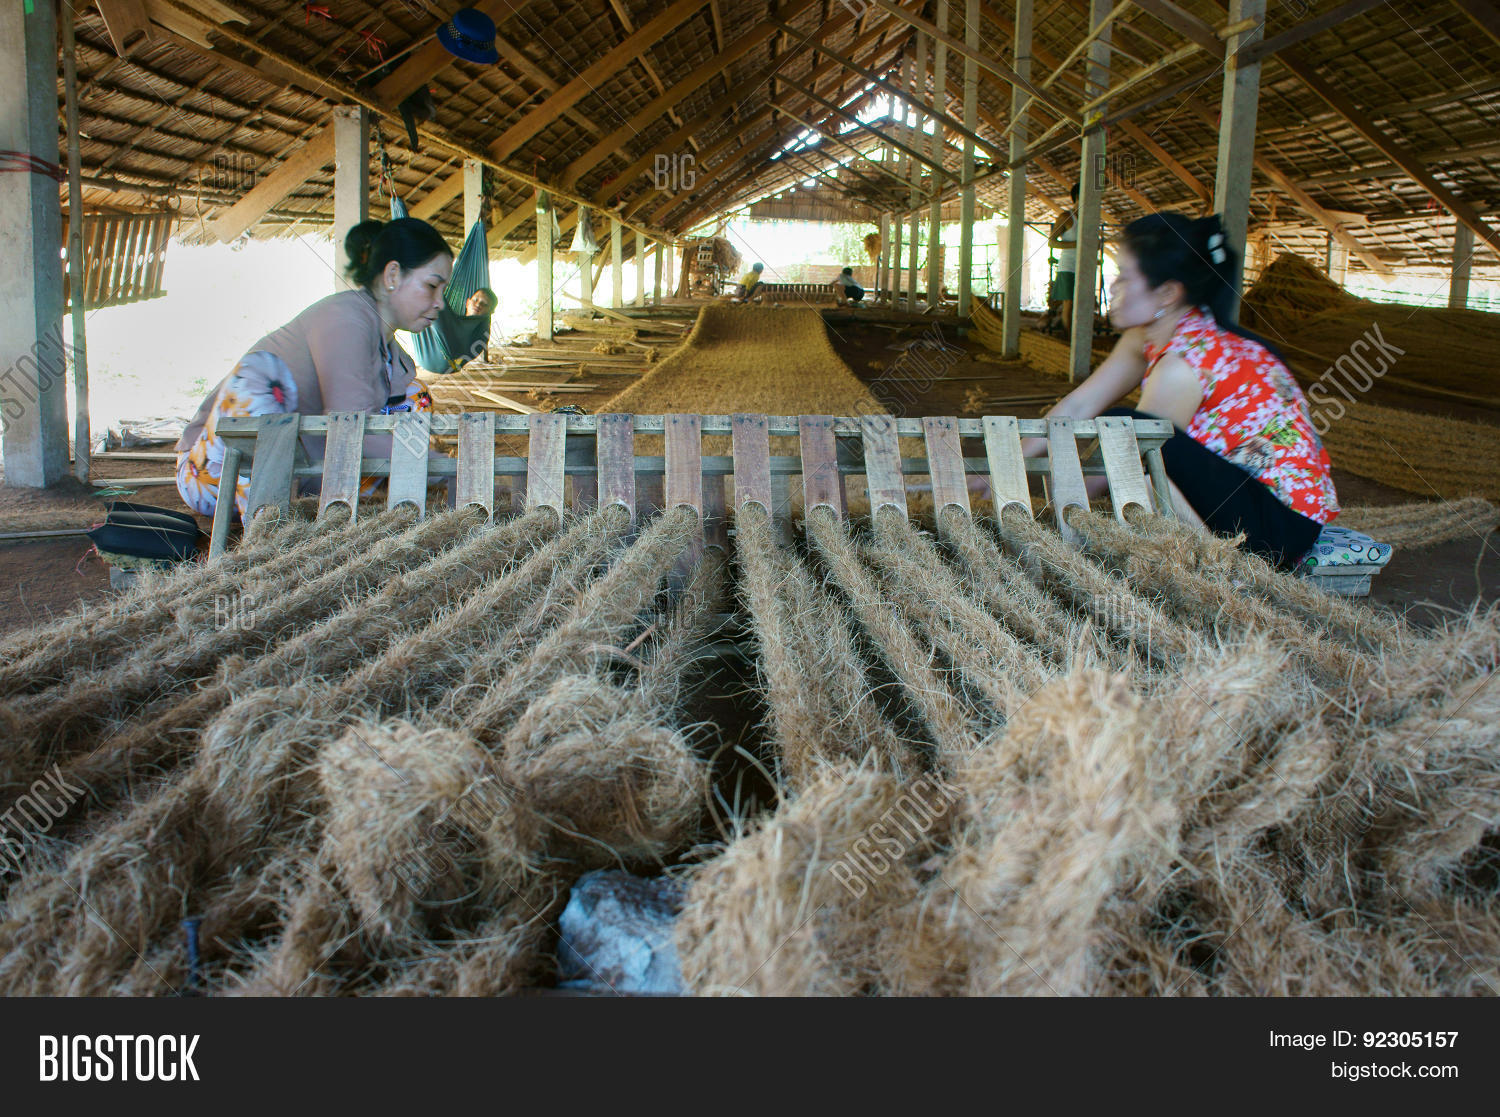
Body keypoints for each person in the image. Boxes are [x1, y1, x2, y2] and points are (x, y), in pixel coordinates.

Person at [1020, 211, 1338, 570]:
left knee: (1129, 433)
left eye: (1125, 277)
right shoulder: (1148, 335)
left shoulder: (1184, 364)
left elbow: (1124, 454)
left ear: (1168, 293)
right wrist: (1009, 467)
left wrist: (1046, 511)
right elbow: (1079, 405)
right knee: (1128, 434)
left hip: (1278, 525)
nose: (1113, 286)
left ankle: (1225, 569)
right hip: (1239, 494)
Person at [176, 217, 453, 520]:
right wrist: (445, 468)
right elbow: (353, 430)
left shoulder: (388, 348)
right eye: (431, 286)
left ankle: (340, 504)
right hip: (213, 480)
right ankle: (265, 525)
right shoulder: (344, 319)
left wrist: (430, 465)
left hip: (301, 483)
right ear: (393, 275)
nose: (440, 302)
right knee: (263, 376)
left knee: (414, 397)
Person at [428, 286, 497, 373]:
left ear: (490, 312)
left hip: (451, 365)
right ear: (467, 303)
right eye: (476, 300)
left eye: (485, 304)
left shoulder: (482, 333)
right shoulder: (451, 321)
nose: (478, 304)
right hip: (431, 354)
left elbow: (468, 354)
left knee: (435, 299)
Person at [1042, 183, 1080, 334]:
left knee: (1080, 302)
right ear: (1077, 197)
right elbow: (1051, 242)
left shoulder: (1089, 219)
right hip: (1068, 266)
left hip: (1083, 266)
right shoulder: (1066, 217)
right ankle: (1068, 335)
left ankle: (1076, 334)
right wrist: (1076, 244)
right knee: (1069, 302)